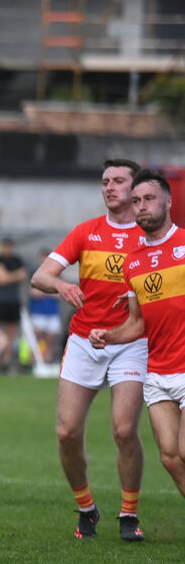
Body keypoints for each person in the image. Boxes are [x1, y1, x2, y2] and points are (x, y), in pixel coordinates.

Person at [30, 159, 148, 541]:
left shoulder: (151, 235)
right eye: (105, 181)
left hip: (130, 341)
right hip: (84, 340)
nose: (110, 187)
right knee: (66, 432)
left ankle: (128, 514)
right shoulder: (86, 232)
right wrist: (62, 286)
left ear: (136, 189)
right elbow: (40, 275)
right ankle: (86, 507)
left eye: (118, 181)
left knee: (124, 429)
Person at [89, 168, 185, 505]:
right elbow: (137, 324)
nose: (141, 205)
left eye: (149, 199)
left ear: (169, 201)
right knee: (170, 457)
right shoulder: (134, 264)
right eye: (137, 201)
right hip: (158, 372)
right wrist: (108, 336)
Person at [0, 236, 27, 372]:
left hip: (13, 301)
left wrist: (7, 276)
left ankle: (6, 361)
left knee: (11, 334)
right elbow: (0, 280)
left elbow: (22, 275)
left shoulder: (17, 260)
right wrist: (13, 276)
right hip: (0, 301)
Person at [27, 248, 63, 363]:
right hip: (38, 311)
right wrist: (50, 291)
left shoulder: (56, 274)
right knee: (35, 338)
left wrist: (44, 291)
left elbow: (59, 294)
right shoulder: (35, 273)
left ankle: (47, 361)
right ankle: (31, 362)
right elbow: (34, 293)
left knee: (50, 339)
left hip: (52, 312)